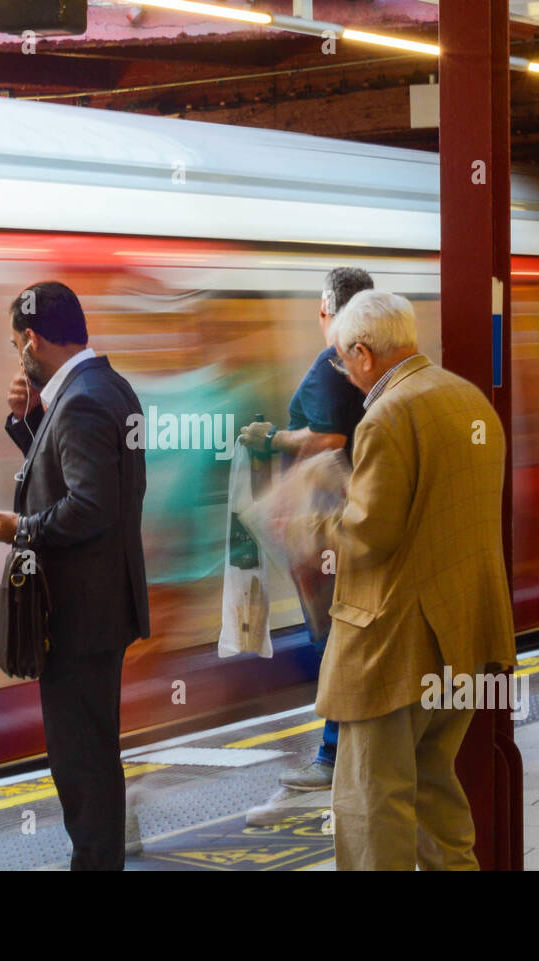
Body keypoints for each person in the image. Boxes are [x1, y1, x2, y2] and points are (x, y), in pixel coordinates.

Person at [315, 289, 516, 870]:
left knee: (373, 806)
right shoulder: (468, 399)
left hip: (395, 646)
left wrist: (307, 522)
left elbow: (368, 534)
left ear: (363, 353)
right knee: (434, 793)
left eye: (341, 360)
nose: (344, 373)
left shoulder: (388, 413)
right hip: (463, 637)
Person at [0, 280, 149, 871]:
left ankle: (96, 863)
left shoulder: (79, 399)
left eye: (14, 343)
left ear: (31, 340)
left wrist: (21, 529)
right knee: (92, 750)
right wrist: (27, 424)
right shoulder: (110, 386)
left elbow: (89, 507)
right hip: (103, 607)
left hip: (80, 616)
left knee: (81, 759)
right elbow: (89, 481)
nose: (16, 354)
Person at [237, 267, 371, 793]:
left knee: (332, 638)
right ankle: (347, 749)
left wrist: (274, 438)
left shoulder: (330, 357)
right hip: (359, 518)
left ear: (325, 308)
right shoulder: (368, 357)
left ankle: (334, 754)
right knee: (347, 635)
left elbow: (329, 437)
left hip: (325, 527)